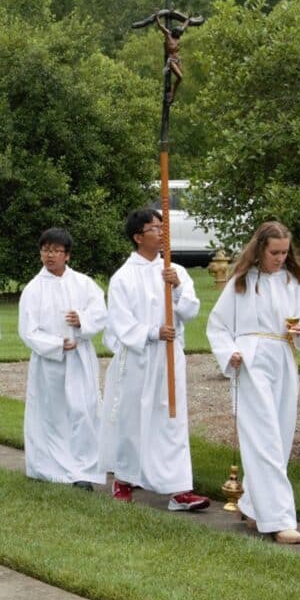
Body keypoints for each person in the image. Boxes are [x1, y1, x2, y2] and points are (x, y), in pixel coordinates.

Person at [207, 221, 300, 545]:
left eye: (284, 252)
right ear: (260, 249)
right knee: (263, 435)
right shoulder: (241, 282)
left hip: (282, 357)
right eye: (274, 253)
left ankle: (253, 506)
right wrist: (230, 352)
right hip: (252, 360)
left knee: (280, 435)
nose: (280, 258)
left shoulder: (292, 282)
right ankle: (279, 519)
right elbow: (217, 325)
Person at [98, 208, 210, 511]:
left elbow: (190, 311)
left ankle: (179, 489)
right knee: (133, 418)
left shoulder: (175, 271)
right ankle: (124, 479)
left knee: (171, 420)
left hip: (170, 357)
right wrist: (151, 332)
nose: (161, 233)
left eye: (163, 227)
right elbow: (121, 323)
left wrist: (176, 289)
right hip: (138, 359)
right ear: (138, 237)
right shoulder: (123, 277)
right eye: (154, 228)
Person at [18, 228, 107, 490]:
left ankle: (84, 469)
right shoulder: (34, 289)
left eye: (56, 250)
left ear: (67, 255)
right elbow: (28, 330)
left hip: (80, 358)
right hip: (50, 364)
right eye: (46, 250)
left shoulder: (83, 283)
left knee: (82, 410)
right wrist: (56, 345)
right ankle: (52, 466)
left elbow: (100, 311)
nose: (50, 255)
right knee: (52, 413)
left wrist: (83, 321)